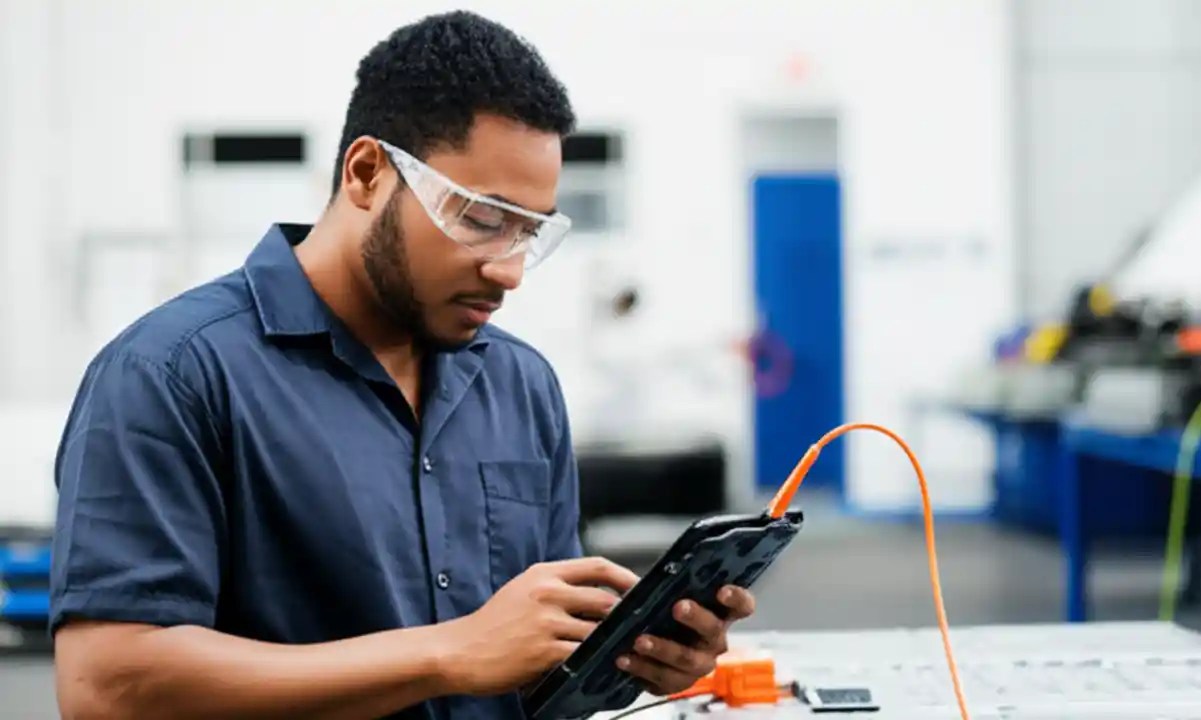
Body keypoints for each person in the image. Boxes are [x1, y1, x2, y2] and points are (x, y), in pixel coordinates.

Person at [49, 11, 755, 720]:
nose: (509, 270)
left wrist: (627, 659)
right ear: (366, 173)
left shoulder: (522, 386)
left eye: (531, 232)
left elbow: (533, 669)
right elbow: (107, 687)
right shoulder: (172, 375)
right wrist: (447, 653)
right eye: (482, 218)